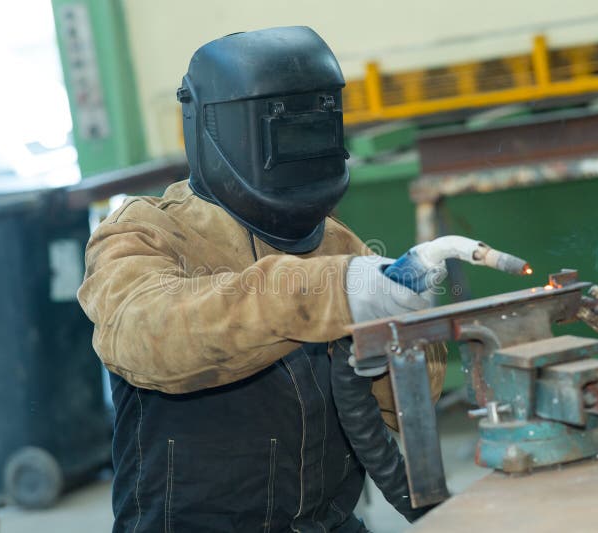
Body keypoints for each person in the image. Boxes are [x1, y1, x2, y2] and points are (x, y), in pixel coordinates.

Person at [78, 26, 445, 532]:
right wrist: (327, 293)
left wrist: (405, 336)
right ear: (212, 124)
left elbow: (410, 405)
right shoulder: (147, 232)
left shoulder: (338, 243)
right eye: (287, 135)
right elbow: (143, 334)